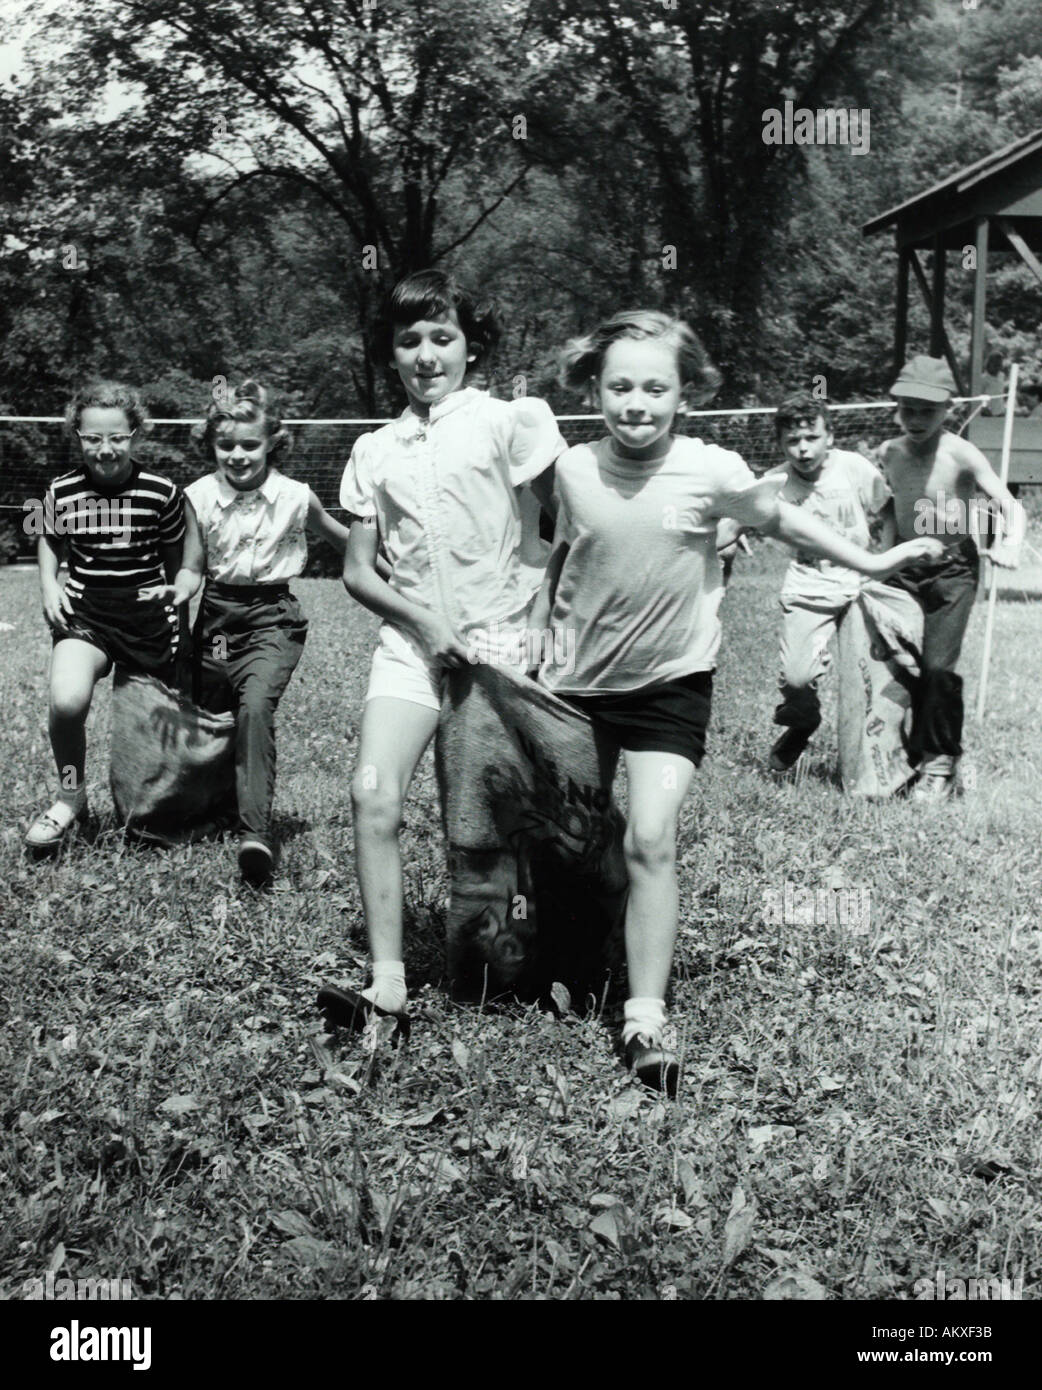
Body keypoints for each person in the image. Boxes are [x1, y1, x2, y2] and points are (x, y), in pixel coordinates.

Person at [531, 311, 944, 1095]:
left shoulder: (713, 470)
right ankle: (567, 966)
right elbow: (553, 558)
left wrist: (877, 557)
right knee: (576, 845)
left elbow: (789, 521)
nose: (636, 403)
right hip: (576, 692)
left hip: (669, 690)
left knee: (650, 836)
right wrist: (527, 637)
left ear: (685, 395)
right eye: (619, 386)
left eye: (656, 387)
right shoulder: (572, 470)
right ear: (595, 388)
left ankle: (644, 1015)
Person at [316, 269, 566, 1036]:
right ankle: (387, 982)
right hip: (411, 643)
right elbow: (358, 570)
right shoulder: (374, 449)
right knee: (371, 791)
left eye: (442, 337)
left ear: (469, 345)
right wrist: (422, 624)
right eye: (409, 340)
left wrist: (538, 620)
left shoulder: (510, 419)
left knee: (516, 816)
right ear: (390, 353)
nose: (426, 355)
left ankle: (543, 960)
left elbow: (564, 526)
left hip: (500, 636)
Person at [157, 380, 352, 884]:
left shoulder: (295, 497)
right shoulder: (196, 496)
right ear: (212, 445)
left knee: (255, 706)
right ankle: (208, 809)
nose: (238, 455)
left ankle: (255, 832)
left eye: (250, 444)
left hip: (272, 617)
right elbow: (193, 567)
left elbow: (346, 540)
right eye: (227, 445)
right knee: (212, 712)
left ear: (271, 443)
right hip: (218, 618)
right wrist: (178, 590)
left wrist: (397, 556)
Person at [25, 382, 185, 850]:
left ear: (135, 434)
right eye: (93, 438)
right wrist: (48, 584)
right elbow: (49, 539)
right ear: (77, 434)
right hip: (86, 618)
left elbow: (178, 564)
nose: (106, 449)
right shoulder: (62, 490)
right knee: (67, 701)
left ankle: (166, 805)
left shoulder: (162, 492)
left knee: (152, 737)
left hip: (146, 623)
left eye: (117, 437)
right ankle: (70, 797)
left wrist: (182, 625)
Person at [874, 355, 1024, 799]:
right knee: (903, 667)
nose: (916, 419)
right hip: (903, 570)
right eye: (908, 409)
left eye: (927, 410)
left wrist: (1010, 544)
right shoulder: (890, 453)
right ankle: (898, 755)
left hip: (952, 570)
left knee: (939, 668)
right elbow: (888, 512)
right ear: (897, 407)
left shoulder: (961, 453)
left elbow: (1009, 504)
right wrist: (881, 563)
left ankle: (940, 763)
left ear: (948, 410)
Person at [757, 393, 895, 775]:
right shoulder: (775, 482)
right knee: (796, 677)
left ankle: (873, 768)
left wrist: (882, 565)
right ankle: (802, 722)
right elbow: (738, 518)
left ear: (829, 437)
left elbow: (888, 511)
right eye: (792, 441)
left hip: (859, 586)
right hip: (807, 586)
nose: (802, 449)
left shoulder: (853, 468)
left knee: (869, 684)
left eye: (811, 438)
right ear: (781, 444)